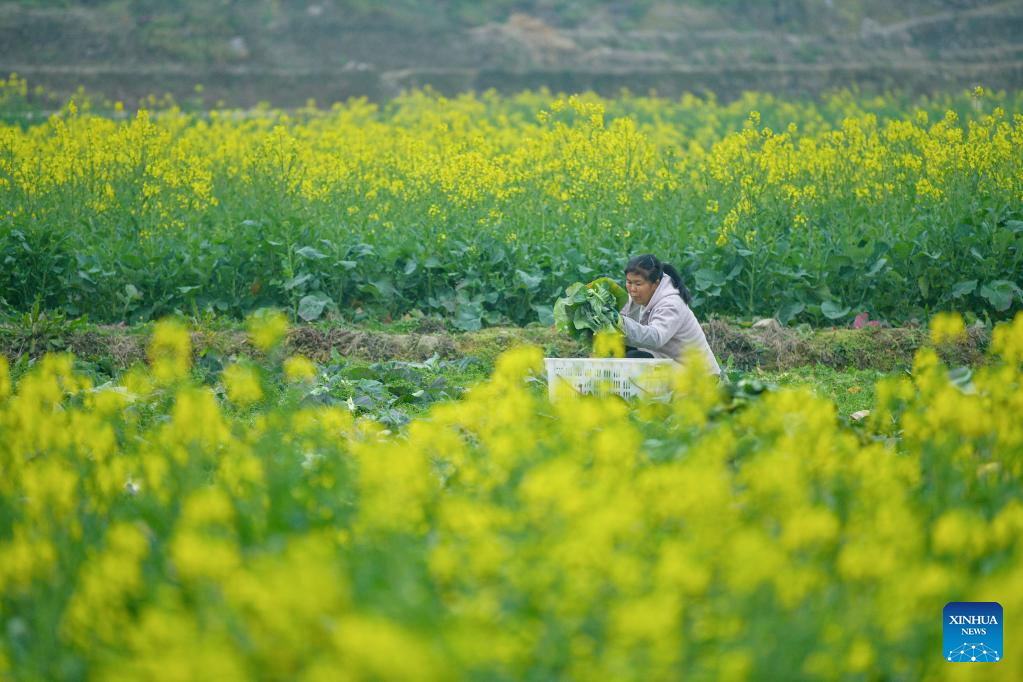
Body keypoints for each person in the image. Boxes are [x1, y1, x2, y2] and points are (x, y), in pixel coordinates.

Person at [618, 253, 721, 375]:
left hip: (698, 375)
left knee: (633, 358)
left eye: (638, 283)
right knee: (617, 346)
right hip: (668, 361)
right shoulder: (638, 296)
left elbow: (655, 338)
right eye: (629, 282)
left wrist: (619, 322)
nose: (632, 289)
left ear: (655, 284)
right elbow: (621, 315)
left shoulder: (671, 303)